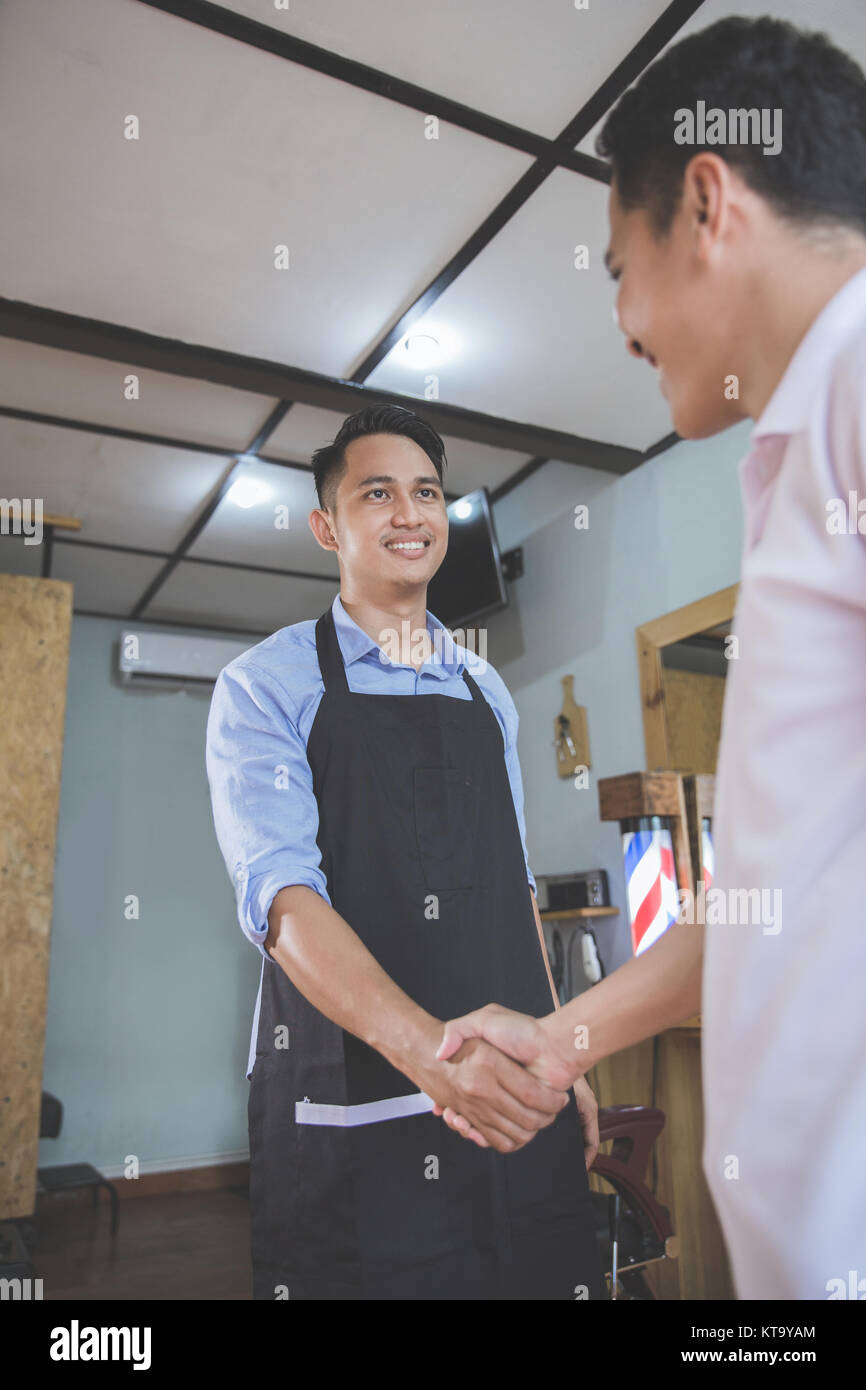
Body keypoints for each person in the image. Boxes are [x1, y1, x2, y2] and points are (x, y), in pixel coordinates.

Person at [434, 15, 866, 1301]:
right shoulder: (790, 460)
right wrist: (562, 1037)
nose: (621, 322)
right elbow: (773, 896)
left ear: (706, 199)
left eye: (618, 268)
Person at [205, 404, 606, 1300]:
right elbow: (284, 907)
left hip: (507, 1090)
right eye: (376, 493)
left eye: (426, 493)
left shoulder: (487, 688)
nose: (409, 514)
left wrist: (563, 1055)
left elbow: (516, 889)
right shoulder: (264, 687)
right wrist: (431, 1057)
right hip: (356, 1098)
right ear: (327, 526)